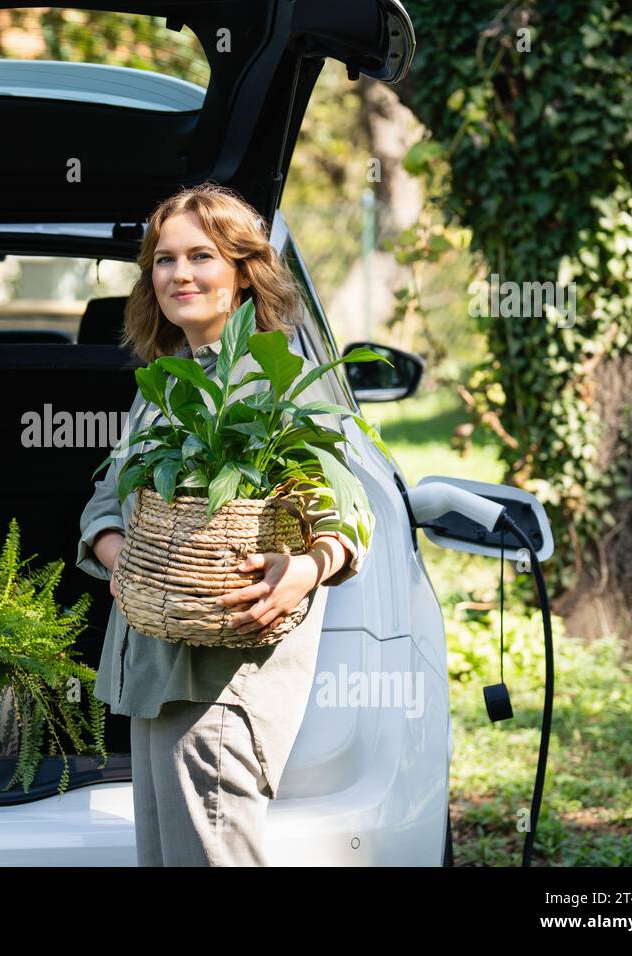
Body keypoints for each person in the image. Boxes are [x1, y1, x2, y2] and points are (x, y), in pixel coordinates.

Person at [74, 182, 370, 866]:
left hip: (224, 678)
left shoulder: (283, 375)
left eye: (201, 256)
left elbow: (343, 511)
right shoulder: (166, 383)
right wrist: (125, 559)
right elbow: (104, 502)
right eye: (164, 259)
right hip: (156, 668)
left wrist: (305, 568)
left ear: (242, 270)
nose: (179, 274)